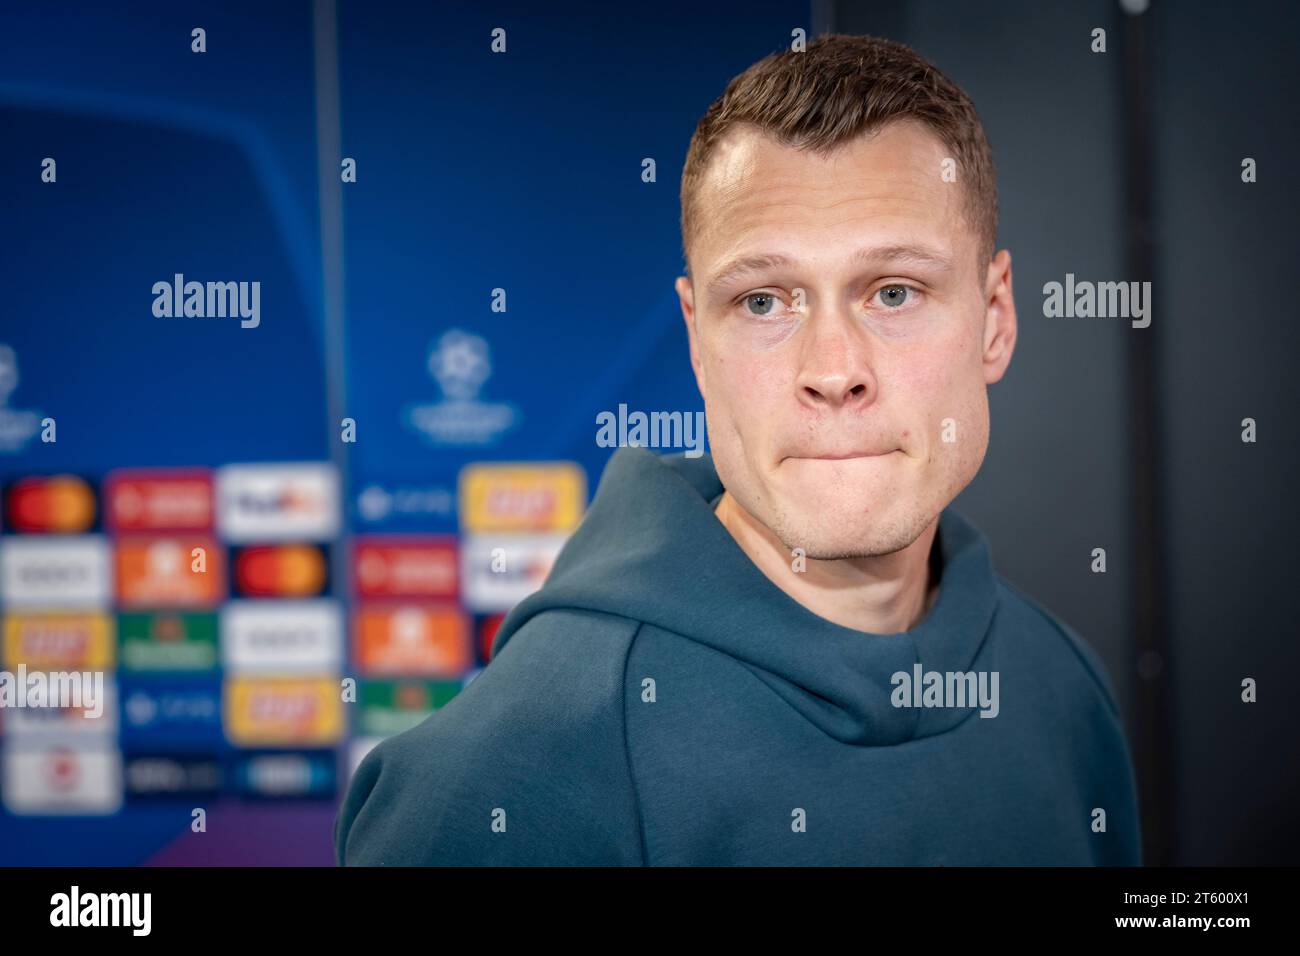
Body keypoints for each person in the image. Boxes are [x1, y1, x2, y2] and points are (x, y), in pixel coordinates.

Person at [335, 32, 1142, 866]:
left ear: (996, 319)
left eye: (894, 291)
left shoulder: (1062, 688)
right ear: (696, 340)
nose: (834, 371)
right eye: (764, 302)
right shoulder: (501, 783)